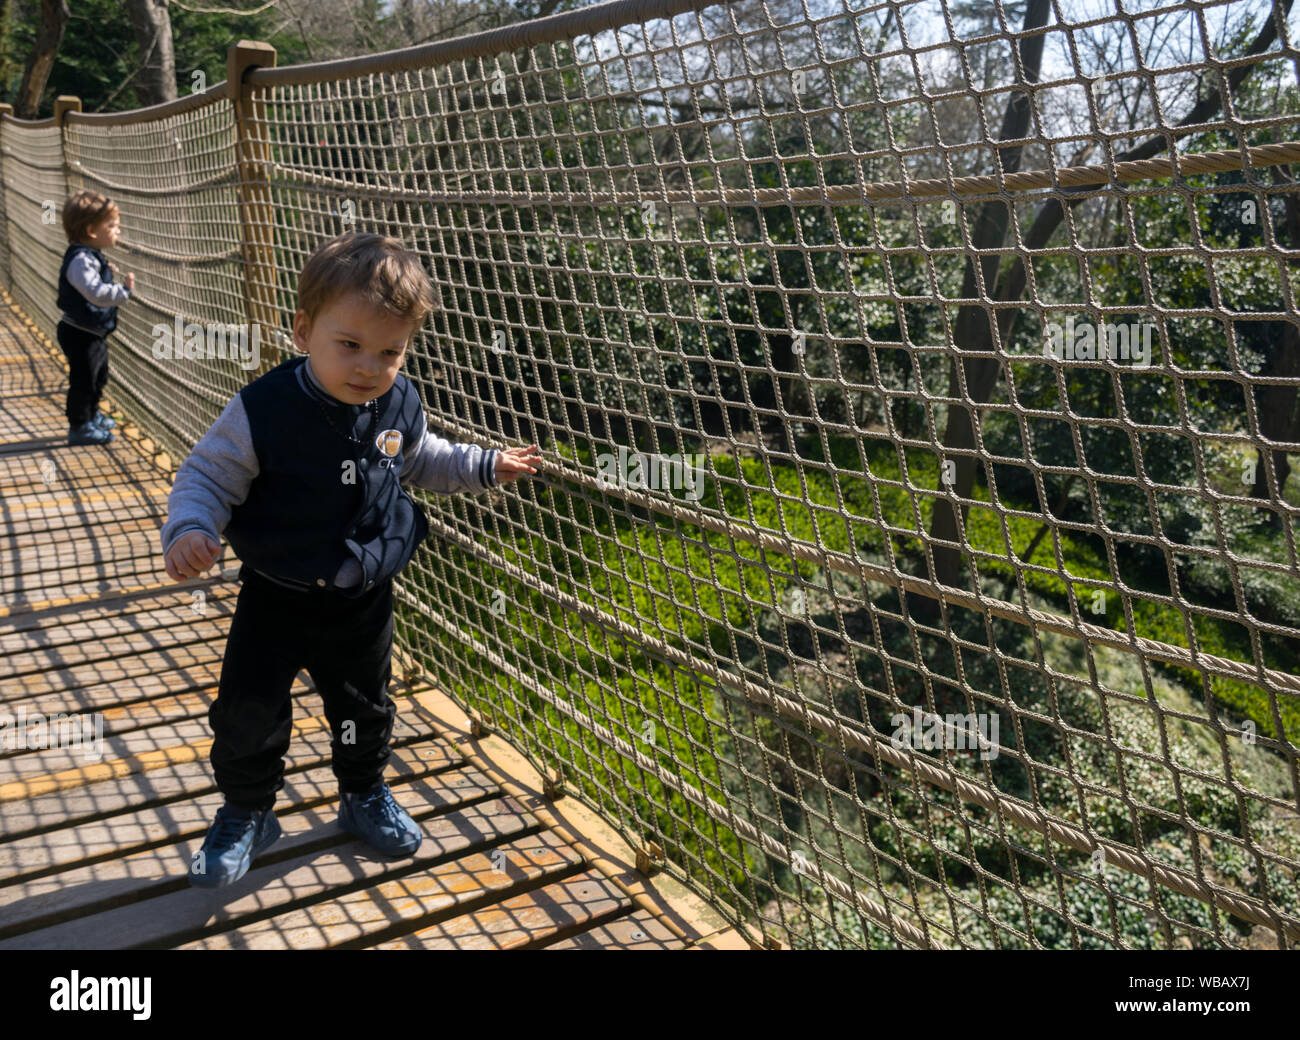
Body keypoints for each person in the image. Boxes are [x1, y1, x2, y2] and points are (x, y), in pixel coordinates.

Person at [159, 231, 542, 888]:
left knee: (364, 706)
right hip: (276, 593)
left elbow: (422, 459)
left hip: (361, 594)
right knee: (249, 708)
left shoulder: (398, 401)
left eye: (390, 351)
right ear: (304, 330)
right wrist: (191, 528)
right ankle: (246, 809)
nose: (369, 366)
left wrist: (483, 465)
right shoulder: (264, 409)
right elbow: (209, 475)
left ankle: (362, 792)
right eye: (350, 345)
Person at [56, 190, 133, 445]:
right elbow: (95, 293)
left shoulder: (89, 256)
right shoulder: (80, 259)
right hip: (79, 333)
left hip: (92, 332)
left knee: (99, 376)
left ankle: (91, 415)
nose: (117, 231)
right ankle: (79, 426)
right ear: (91, 230)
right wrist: (122, 292)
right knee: (84, 379)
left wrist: (105, 270)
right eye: (111, 226)